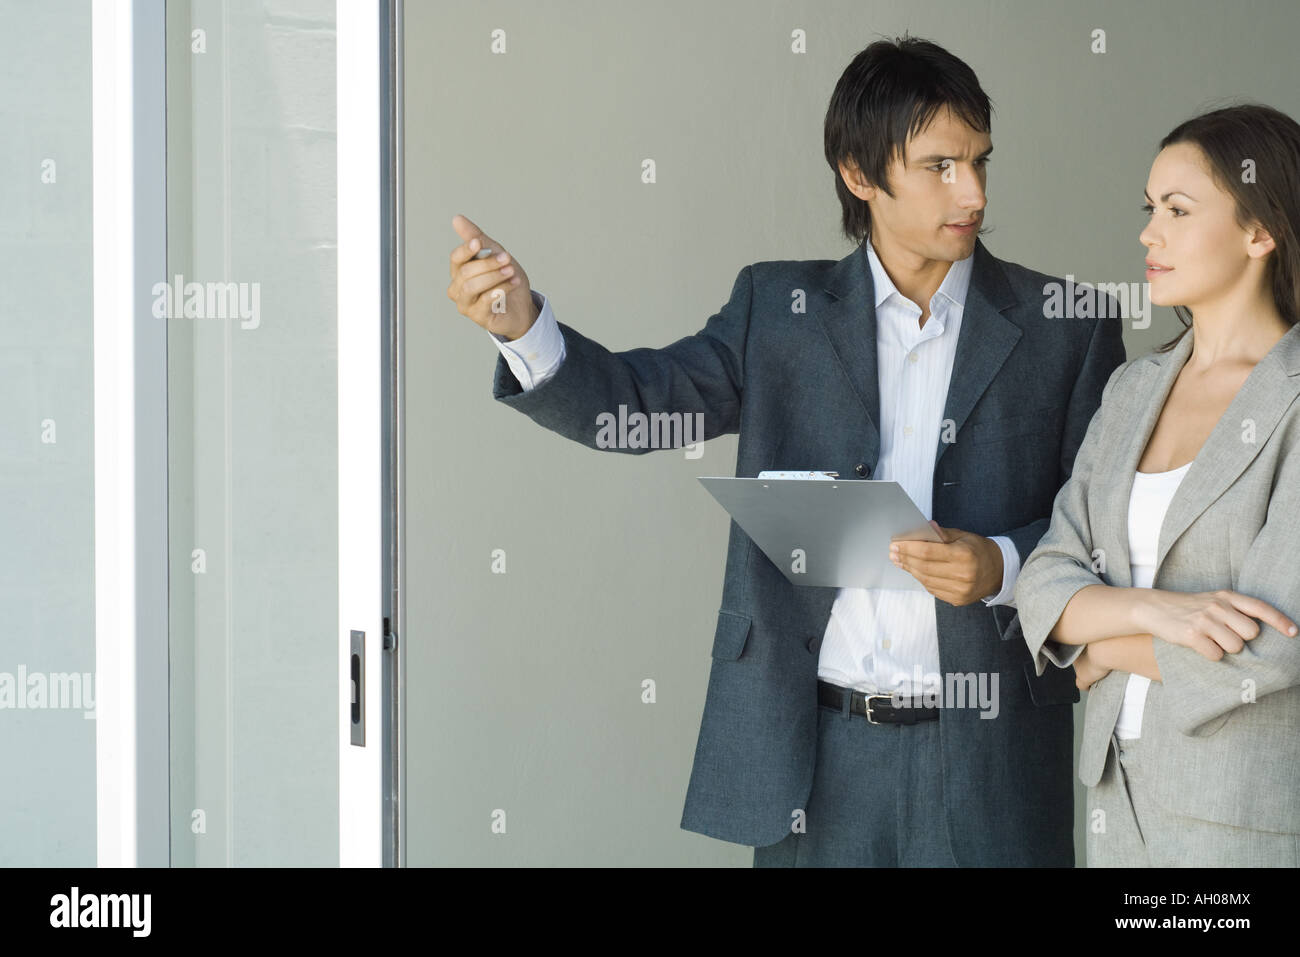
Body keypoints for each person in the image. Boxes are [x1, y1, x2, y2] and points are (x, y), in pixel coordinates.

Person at [447, 36, 1125, 866]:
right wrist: (524, 328)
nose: (974, 191)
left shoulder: (1069, 324)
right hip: (814, 763)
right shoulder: (778, 308)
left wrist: (1002, 565)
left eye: (981, 161)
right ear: (859, 174)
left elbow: (1100, 531)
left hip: (990, 763)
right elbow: (640, 404)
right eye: (941, 166)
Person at [1014, 103, 1300, 866]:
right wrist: (1155, 611)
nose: (1149, 232)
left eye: (1177, 209)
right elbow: (1045, 576)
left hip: (1241, 816)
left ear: (1260, 231)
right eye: (1150, 209)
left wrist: (1103, 640)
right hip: (1114, 803)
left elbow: (1272, 648)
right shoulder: (1134, 388)